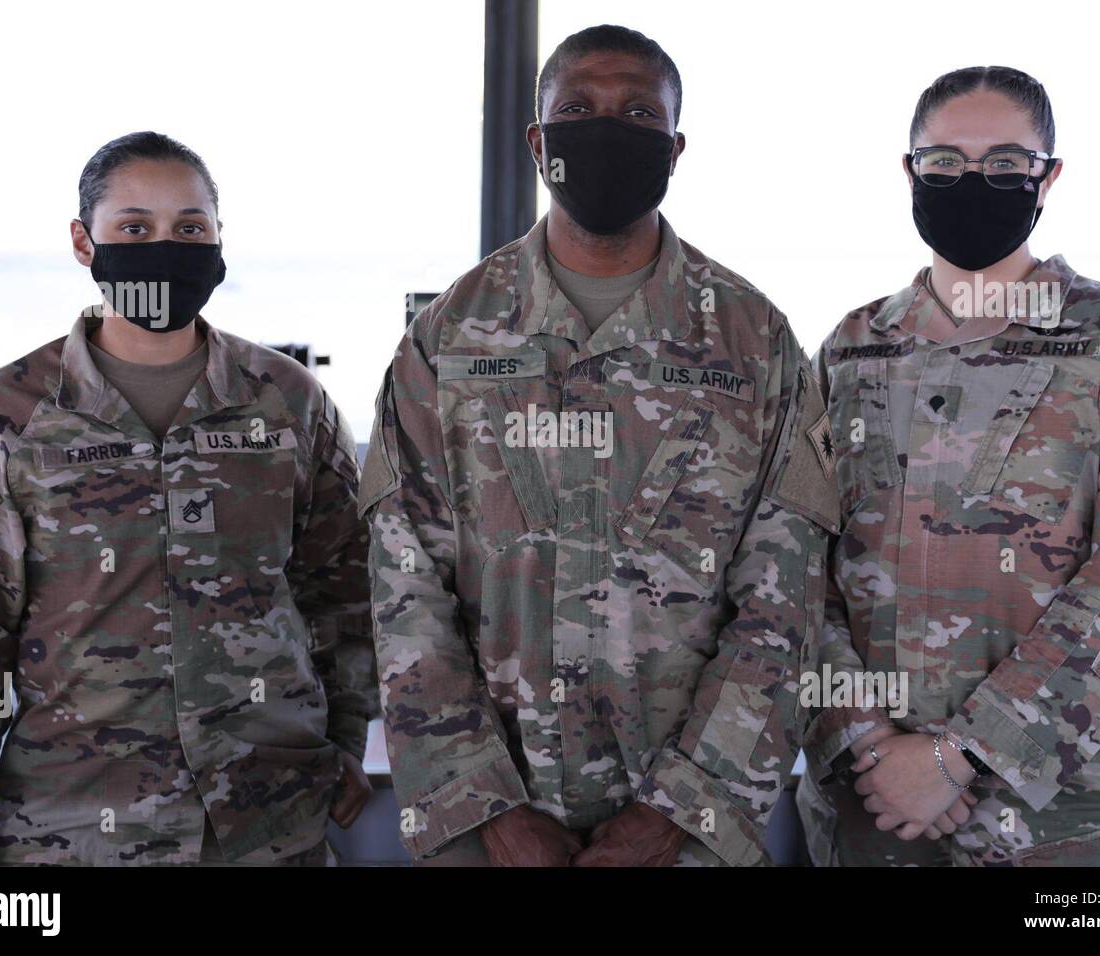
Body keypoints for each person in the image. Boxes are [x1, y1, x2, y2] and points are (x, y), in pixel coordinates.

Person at [359, 24, 838, 867]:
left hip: (687, 834)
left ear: (675, 147)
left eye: (637, 112)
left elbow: (782, 600)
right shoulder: (448, 336)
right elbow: (406, 588)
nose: (607, 126)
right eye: (578, 108)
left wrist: (683, 810)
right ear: (539, 142)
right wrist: (487, 807)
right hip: (488, 831)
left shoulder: (754, 340)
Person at [0, 131, 378, 865]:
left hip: (266, 826)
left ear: (220, 240)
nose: (166, 246)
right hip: (72, 831)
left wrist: (348, 740)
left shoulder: (289, 403)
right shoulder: (7, 416)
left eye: (190, 228)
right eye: (135, 228)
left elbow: (343, 592)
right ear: (82, 241)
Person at [796, 67, 1100, 866]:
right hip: (867, 808)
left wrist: (958, 758)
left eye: (1005, 164)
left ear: (1048, 177)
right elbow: (794, 565)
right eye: (943, 162)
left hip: (1060, 815)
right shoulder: (851, 349)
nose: (971, 182)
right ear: (908, 172)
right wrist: (867, 743)